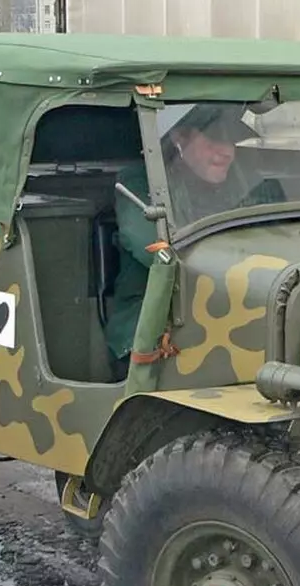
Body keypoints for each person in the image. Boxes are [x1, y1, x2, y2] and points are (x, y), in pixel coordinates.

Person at [103, 102, 284, 380]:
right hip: (153, 331)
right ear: (179, 137)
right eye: (214, 139)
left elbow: (278, 242)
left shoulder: (243, 184)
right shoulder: (142, 182)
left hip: (243, 322)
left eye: (232, 140)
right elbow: (153, 249)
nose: (226, 151)